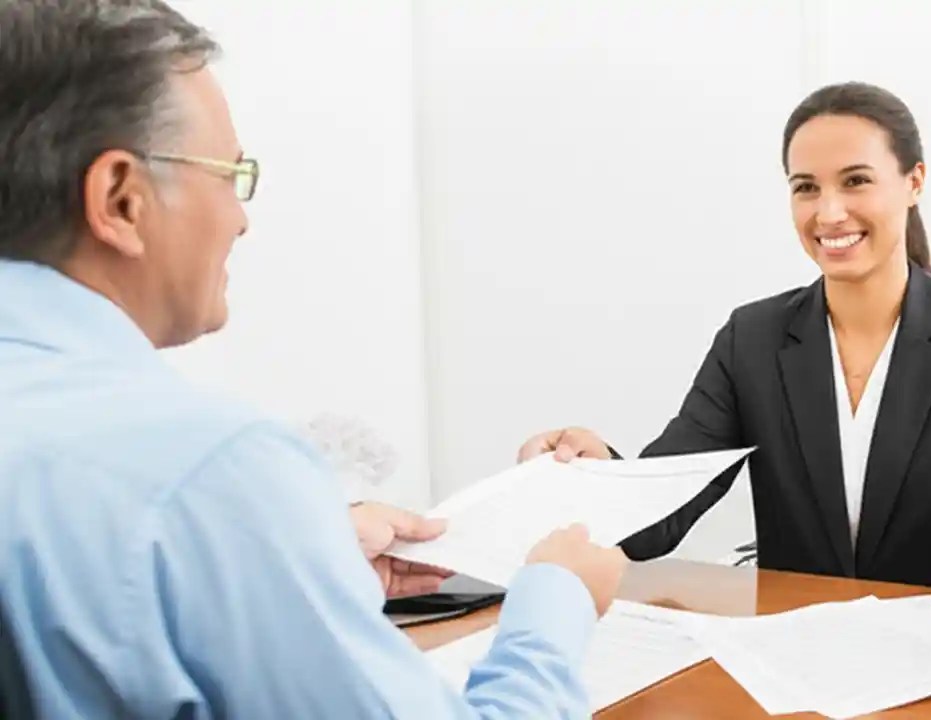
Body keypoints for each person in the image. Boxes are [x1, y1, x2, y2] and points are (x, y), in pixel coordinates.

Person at [0, 2, 626, 717]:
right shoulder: (208, 470)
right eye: (230, 175)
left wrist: (296, 560)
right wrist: (556, 606)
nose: (241, 218)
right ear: (121, 199)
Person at [520, 81, 931, 689]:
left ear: (914, 182)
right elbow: (659, 516)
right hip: (801, 671)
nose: (828, 213)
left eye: (856, 181)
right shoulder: (752, 341)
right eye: (806, 187)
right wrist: (596, 473)